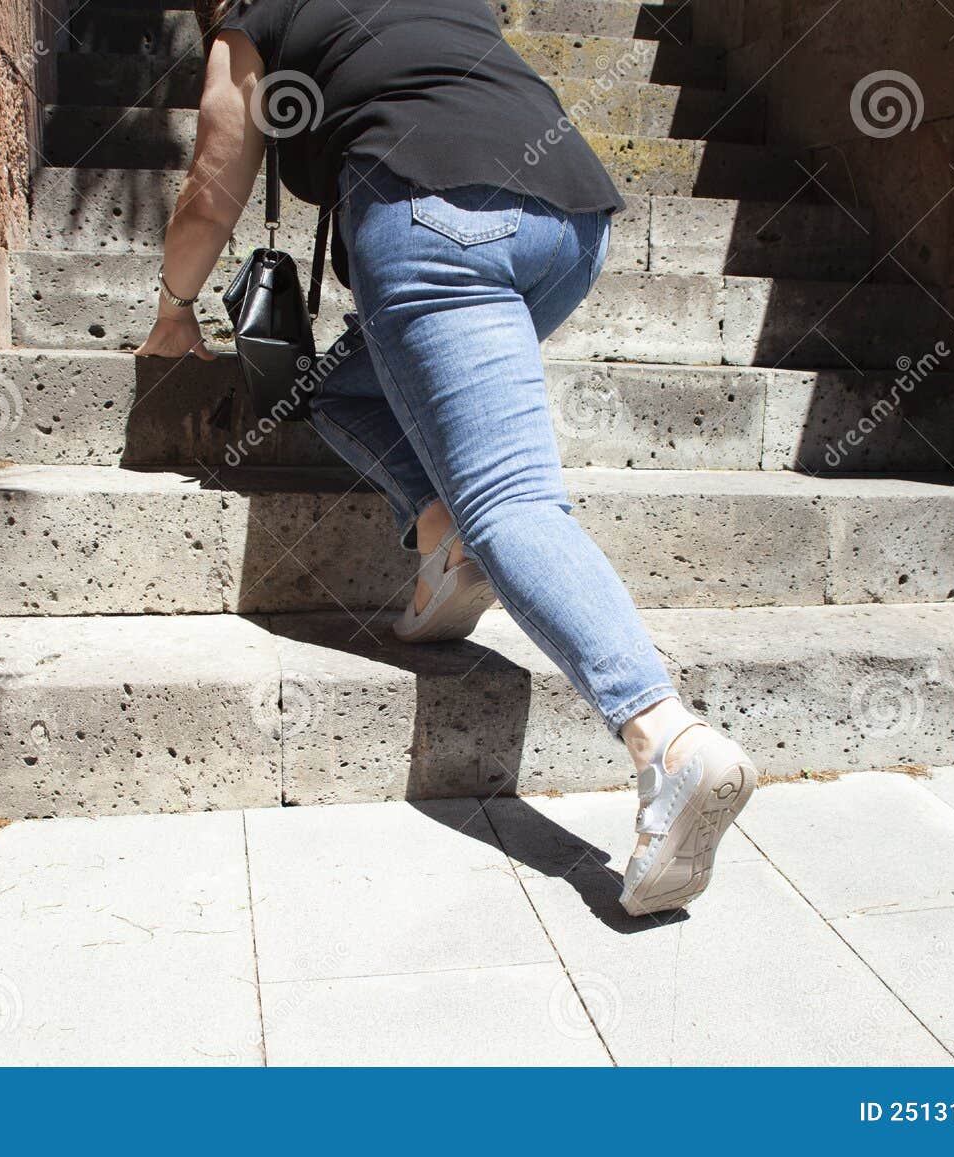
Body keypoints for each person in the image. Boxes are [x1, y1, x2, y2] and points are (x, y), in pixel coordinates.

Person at [134, 0, 756, 916]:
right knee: (340, 386)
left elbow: (212, 188)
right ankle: (444, 539)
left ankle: (666, 738)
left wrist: (173, 306)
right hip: (570, 223)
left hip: (436, 224)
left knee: (510, 499)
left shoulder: (252, 16)